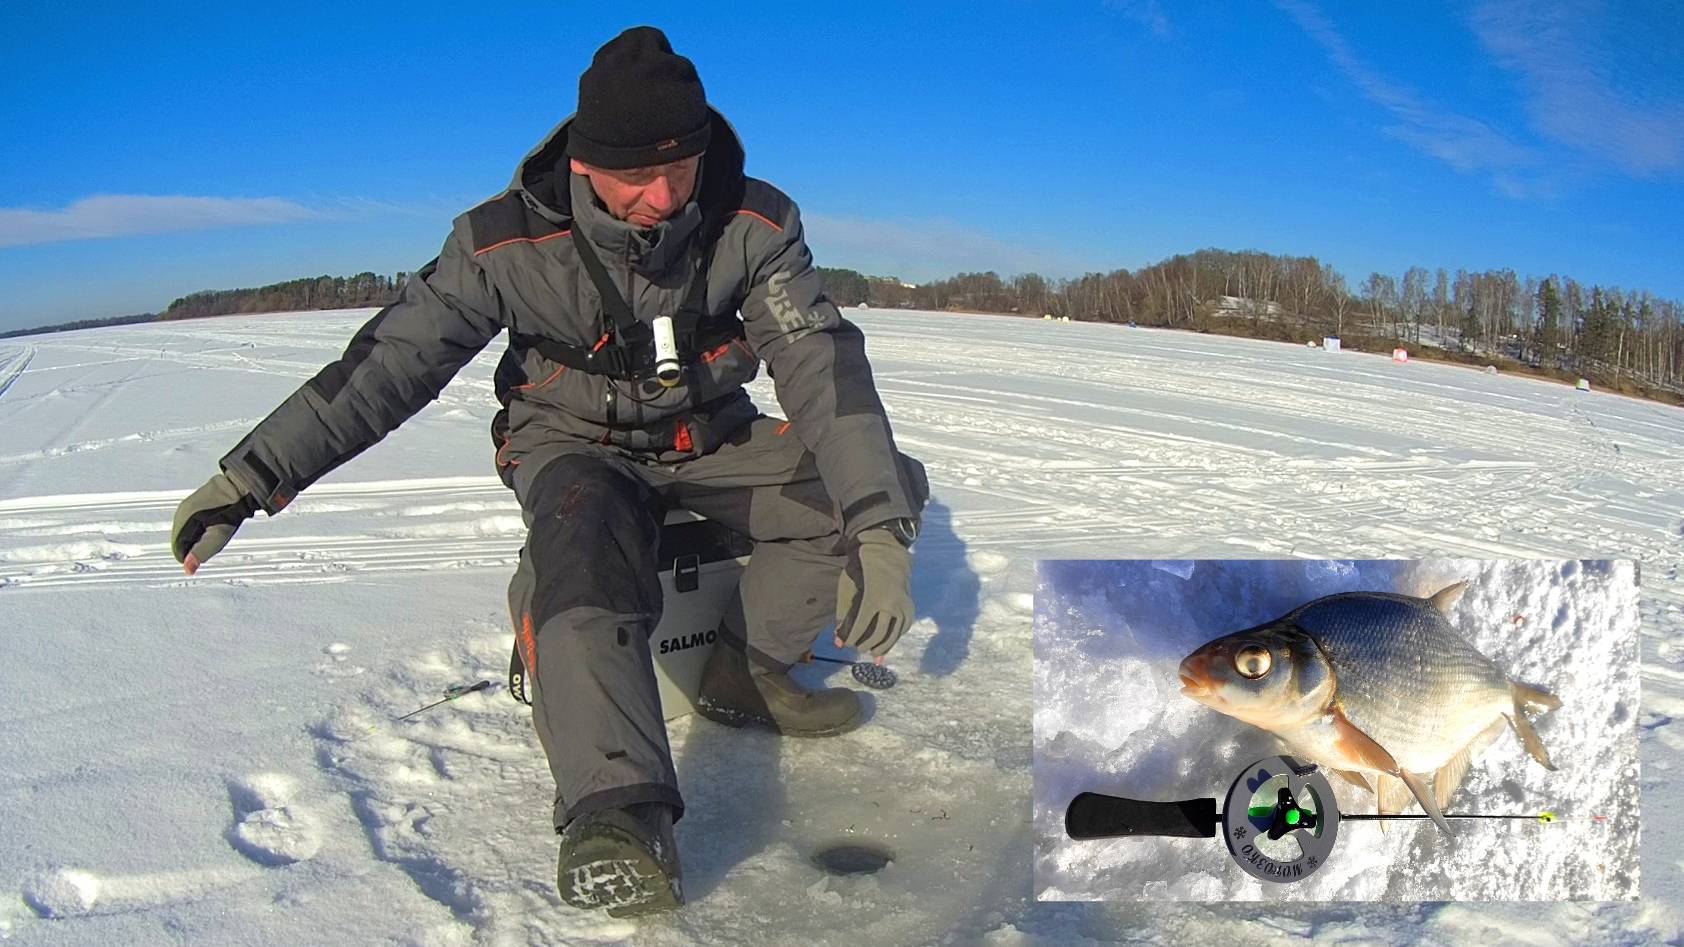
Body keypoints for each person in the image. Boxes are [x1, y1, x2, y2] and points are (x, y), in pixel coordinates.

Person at [169, 26, 927, 917]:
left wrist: (879, 526)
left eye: (680, 169)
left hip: (708, 438)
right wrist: (251, 475)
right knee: (582, 541)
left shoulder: (752, 223)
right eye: (636, 176)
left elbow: (822, 365)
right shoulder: (501, 242)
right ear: (584, 160)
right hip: (575, 443)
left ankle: (748, 671)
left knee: (877, 484)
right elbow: (386, 366)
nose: (661, 196)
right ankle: (620, 815)